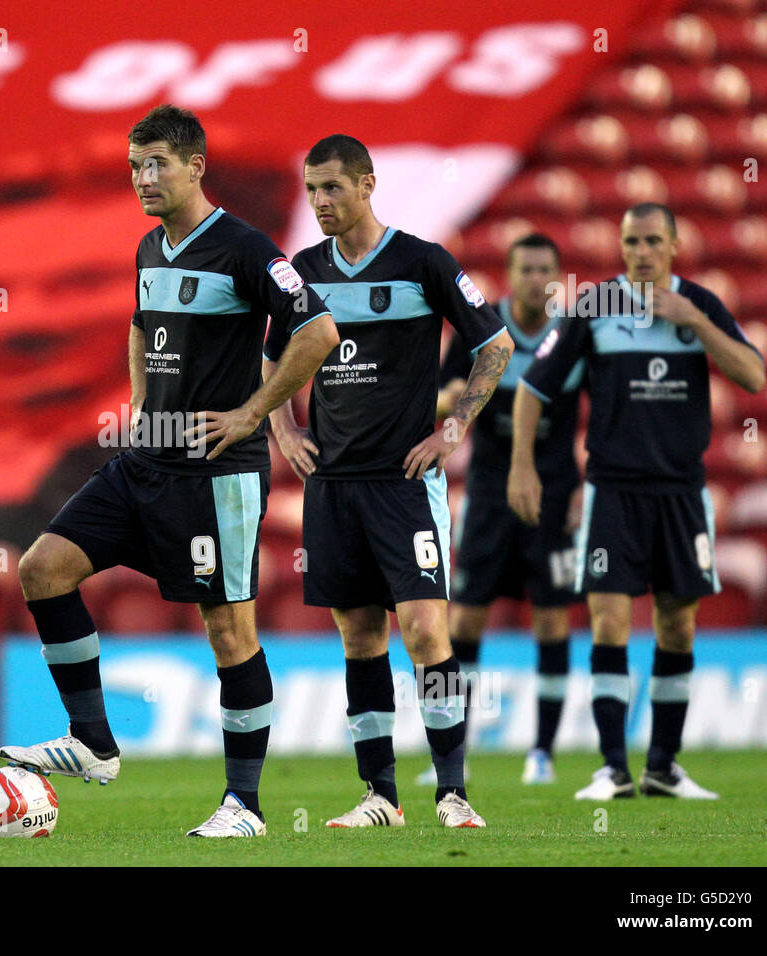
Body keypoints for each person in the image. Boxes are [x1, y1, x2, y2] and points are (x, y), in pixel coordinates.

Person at [0, 105, 339, 837]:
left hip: (217, 473)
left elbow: (318, 331)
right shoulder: (151, 247)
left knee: (228, 632)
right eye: (133, 168)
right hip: (144, 461)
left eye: (156, 165)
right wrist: (141, 400)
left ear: (195, 166)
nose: (143, 180)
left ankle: (244, 806)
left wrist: (253, 414)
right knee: (42, 568)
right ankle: (92, 741)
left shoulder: (246, 249)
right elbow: (139, 323)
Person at [266, 134, 512, 829]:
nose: (320, 202)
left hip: (405, 482)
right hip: (334, 484)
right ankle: (381, 796)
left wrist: (454, 426)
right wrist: (285, 430)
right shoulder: (303, 271)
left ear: (368, 184)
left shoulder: (422, 261)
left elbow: (494, 343)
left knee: (427, 633)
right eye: (312, 190)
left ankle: (454, 792)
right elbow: (272, 359)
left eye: (333, 188)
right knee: (359, 639)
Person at [509, 202, 765, 801]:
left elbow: (753, 376)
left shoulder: (699, 303)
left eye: (653, 240)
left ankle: (664, 767)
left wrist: (695, 324)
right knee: (609, 619)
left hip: (682, 493)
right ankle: (611, 768)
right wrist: (523, 466)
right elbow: (531, 387)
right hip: (612, 493)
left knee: (677, 624)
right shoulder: (594, 306)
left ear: (674, 245)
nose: (641, 252)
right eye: (631, 242)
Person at [434, 233, 584, 786]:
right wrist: (449, 398)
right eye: (526, 268)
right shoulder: (484, 325)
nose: (535, 278)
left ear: (558, 275)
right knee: (464, 617)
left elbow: (601, 408)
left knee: (551, 616)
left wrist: (581, 486)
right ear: (510, 271)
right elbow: (441, 390)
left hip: (554, 492)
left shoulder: (573, 331)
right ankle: (453, 753)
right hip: (490, 491)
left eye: (546, 268)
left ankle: (541, 752)